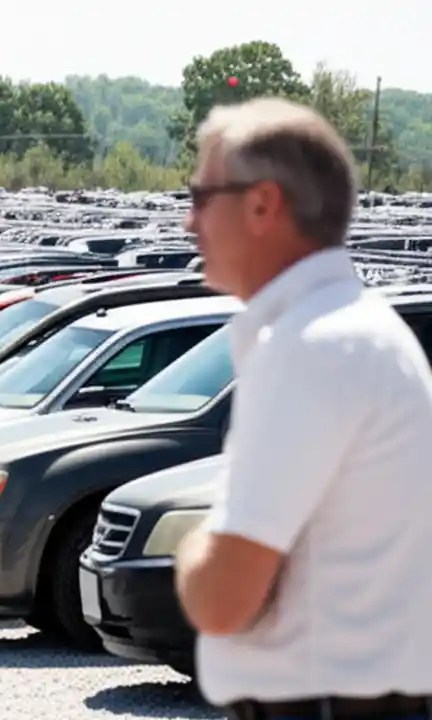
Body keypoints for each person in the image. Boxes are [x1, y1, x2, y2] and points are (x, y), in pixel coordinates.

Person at [174, 97, 432, 719]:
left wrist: (194, 546)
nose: (188, 222)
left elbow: (223, 601)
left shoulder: (312, 347)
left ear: (263, 204)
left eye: (200, 195)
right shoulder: (355, 331)